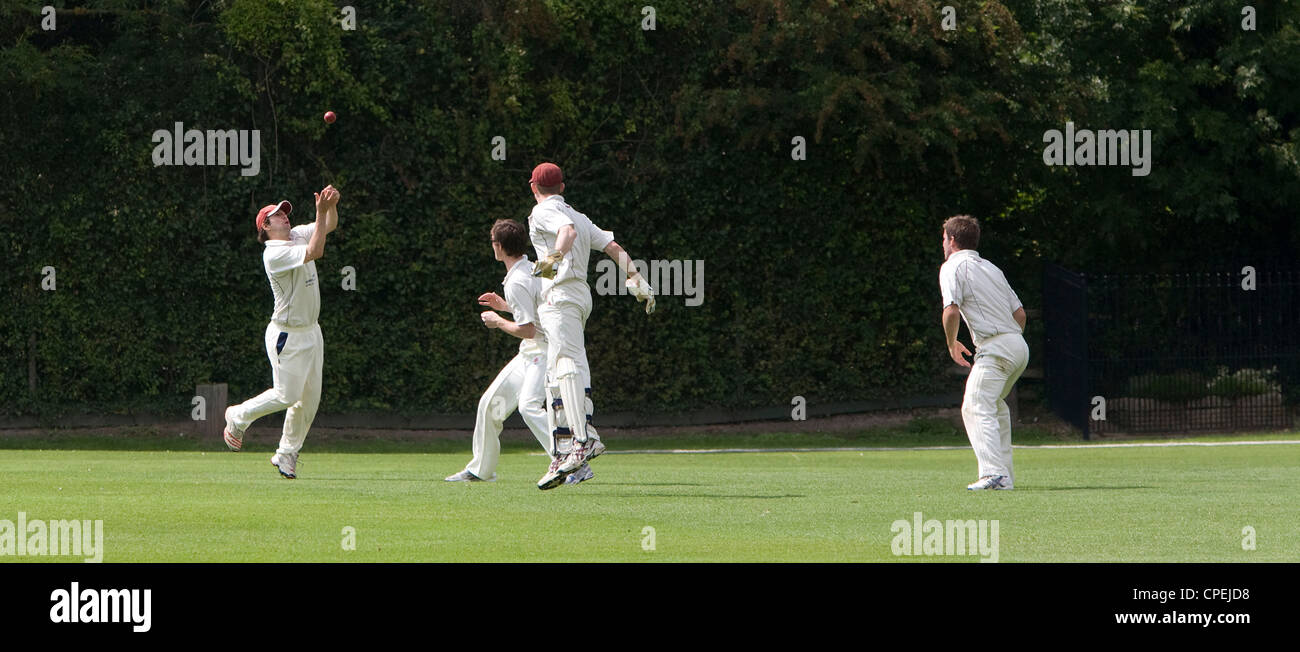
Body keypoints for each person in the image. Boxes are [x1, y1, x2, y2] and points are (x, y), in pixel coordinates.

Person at [526, 162, 655, 490]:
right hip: (579, 297)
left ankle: (580, 443)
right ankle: (570, 446)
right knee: (558, 375)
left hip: (560, 296)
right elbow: (612, 247)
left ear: (533, 188)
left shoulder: (545, 212)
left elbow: (565, 231)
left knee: (565, 365)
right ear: (563, 187)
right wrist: (636, 278)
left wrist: (550, 262)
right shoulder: (581, 216)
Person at [445, 219, 593, 484]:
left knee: (528, 406)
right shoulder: (533, 268)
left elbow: (528, 330)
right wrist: (505, 306)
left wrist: (497, 321)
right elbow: (536, 312)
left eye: (492, 242)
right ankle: (481, 470)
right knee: (490, 405)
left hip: (543, 351)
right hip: (531, 351)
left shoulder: (518, 280)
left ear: (499, 247)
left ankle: (573, 463)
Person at [223, 185, 340, 479]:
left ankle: (287, 453)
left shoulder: (297, 234)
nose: (285, 218)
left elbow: (329, 226)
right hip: (286, 335)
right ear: (265, 225)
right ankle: (237, 415)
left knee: (309, 399)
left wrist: (331, 206)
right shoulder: (274, 253)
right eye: (277, 216)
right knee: (287, 395)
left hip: (312, 331)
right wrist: (321, 211)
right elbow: (317, 250)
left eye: (285, 213)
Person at [938, 215, 1029, 491]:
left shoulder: (952, 266)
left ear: (952, 240)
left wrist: (952, 343)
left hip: (997, 347)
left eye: (944, 238)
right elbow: (1020, 314)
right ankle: (1004, 475)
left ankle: (994, 474)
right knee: (994, 405)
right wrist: (1009, 338)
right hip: (1018, 346)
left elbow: (951, 310)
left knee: (975, 405)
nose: (943, 243)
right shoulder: (991, 268)